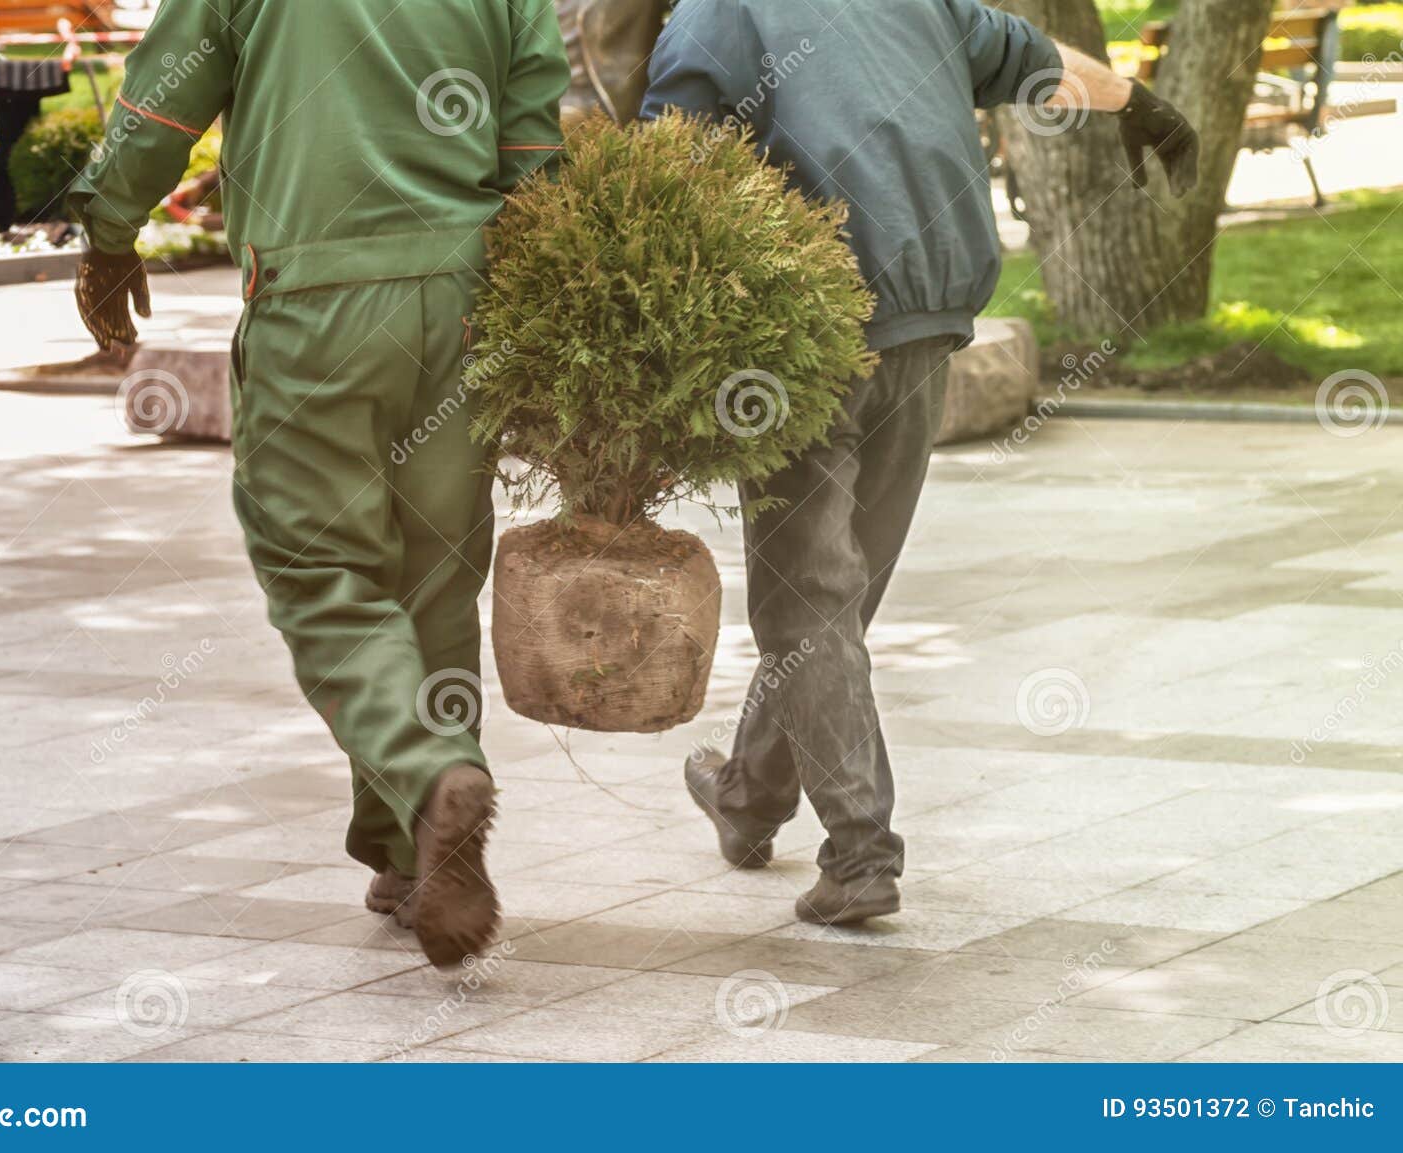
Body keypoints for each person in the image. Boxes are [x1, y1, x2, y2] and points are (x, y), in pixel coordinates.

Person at [642, 0, 1197, 925]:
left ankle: (860, 856)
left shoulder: (721, 10)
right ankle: (747, 796)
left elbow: (665, 173)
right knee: (831, 594)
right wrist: (1136, 100)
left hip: (804, 332)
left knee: (809, 602)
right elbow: (1031, 58)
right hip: (926, 320)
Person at [66, 0, 569, 966]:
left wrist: (108, 230)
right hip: (460, 305)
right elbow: (533, 156)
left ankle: (429, 775)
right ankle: (403, 849)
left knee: (322, 571)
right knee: (434, 581)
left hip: (313, 300)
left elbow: (165, 101)